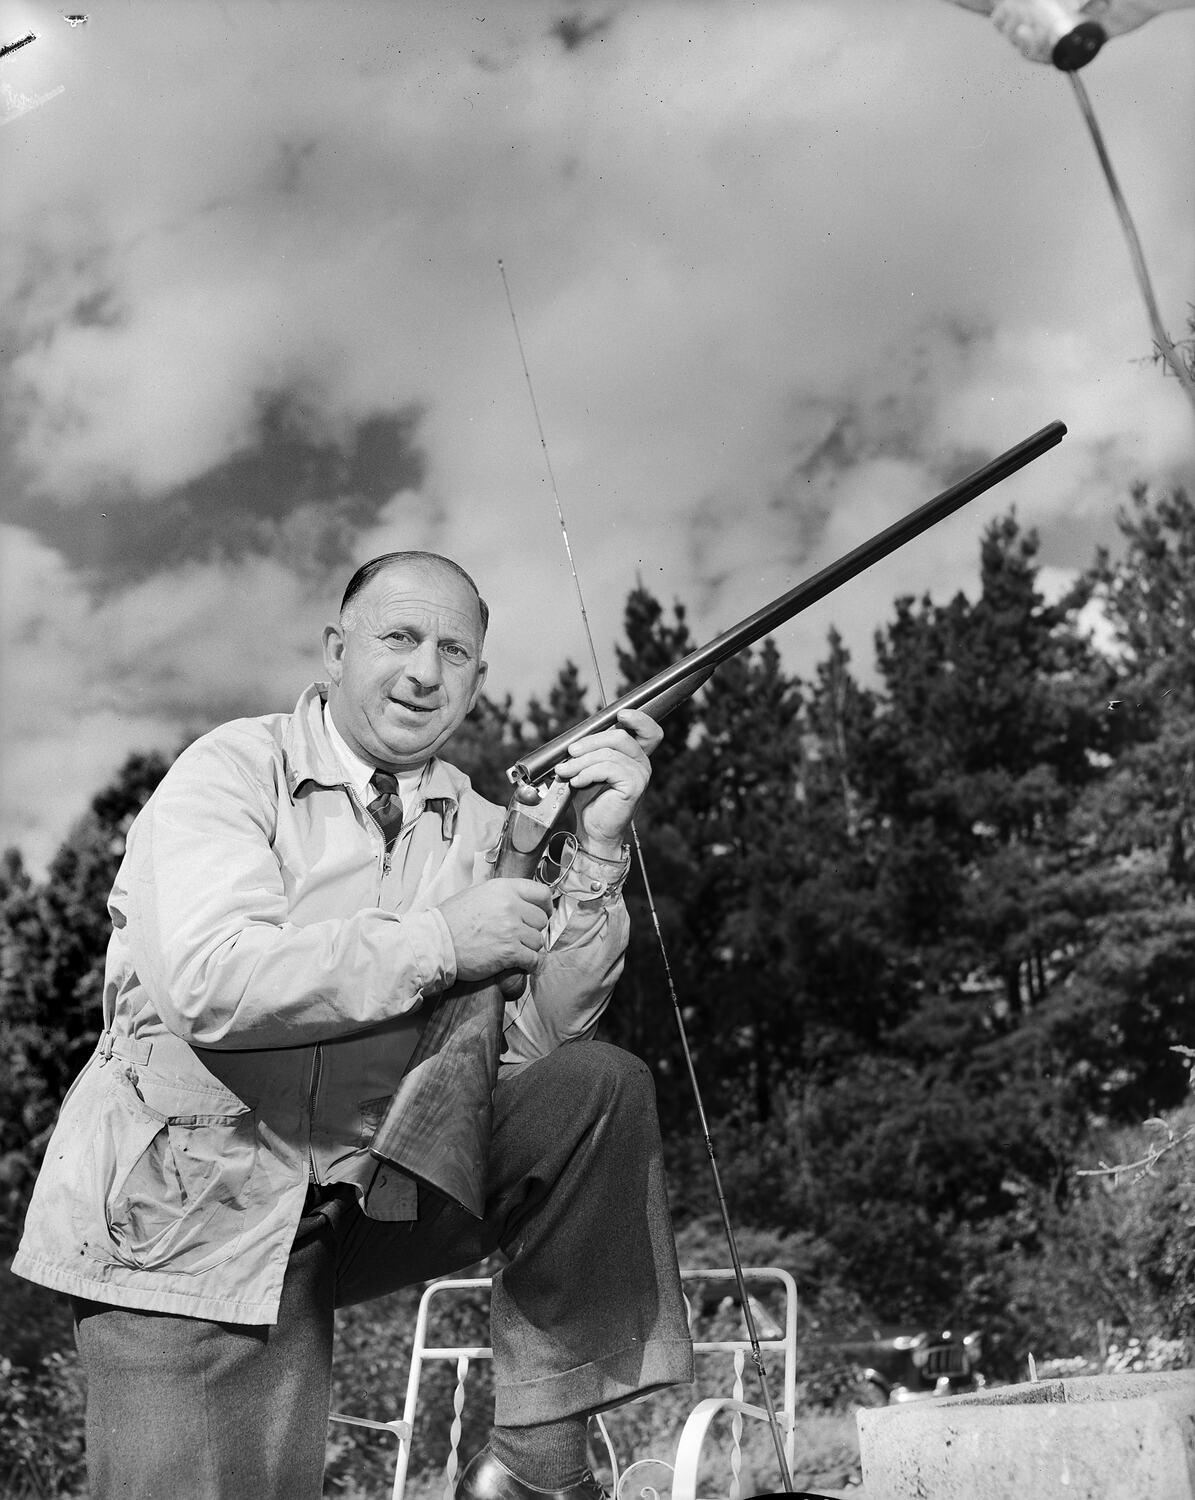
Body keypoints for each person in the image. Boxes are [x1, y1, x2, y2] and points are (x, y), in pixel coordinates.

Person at [13, 550, 694, 1500]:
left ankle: (532, 1473)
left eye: (454, 651)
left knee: (596, 1090)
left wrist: (596, 847)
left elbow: (542, 1041)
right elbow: (212, 982)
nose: (425, 672)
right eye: (400, 638)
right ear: (335, 651)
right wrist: (439, 942)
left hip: (365, 1200)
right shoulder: (229, 771)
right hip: (184, 1220)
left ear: (477, 680)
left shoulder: (484, 825)